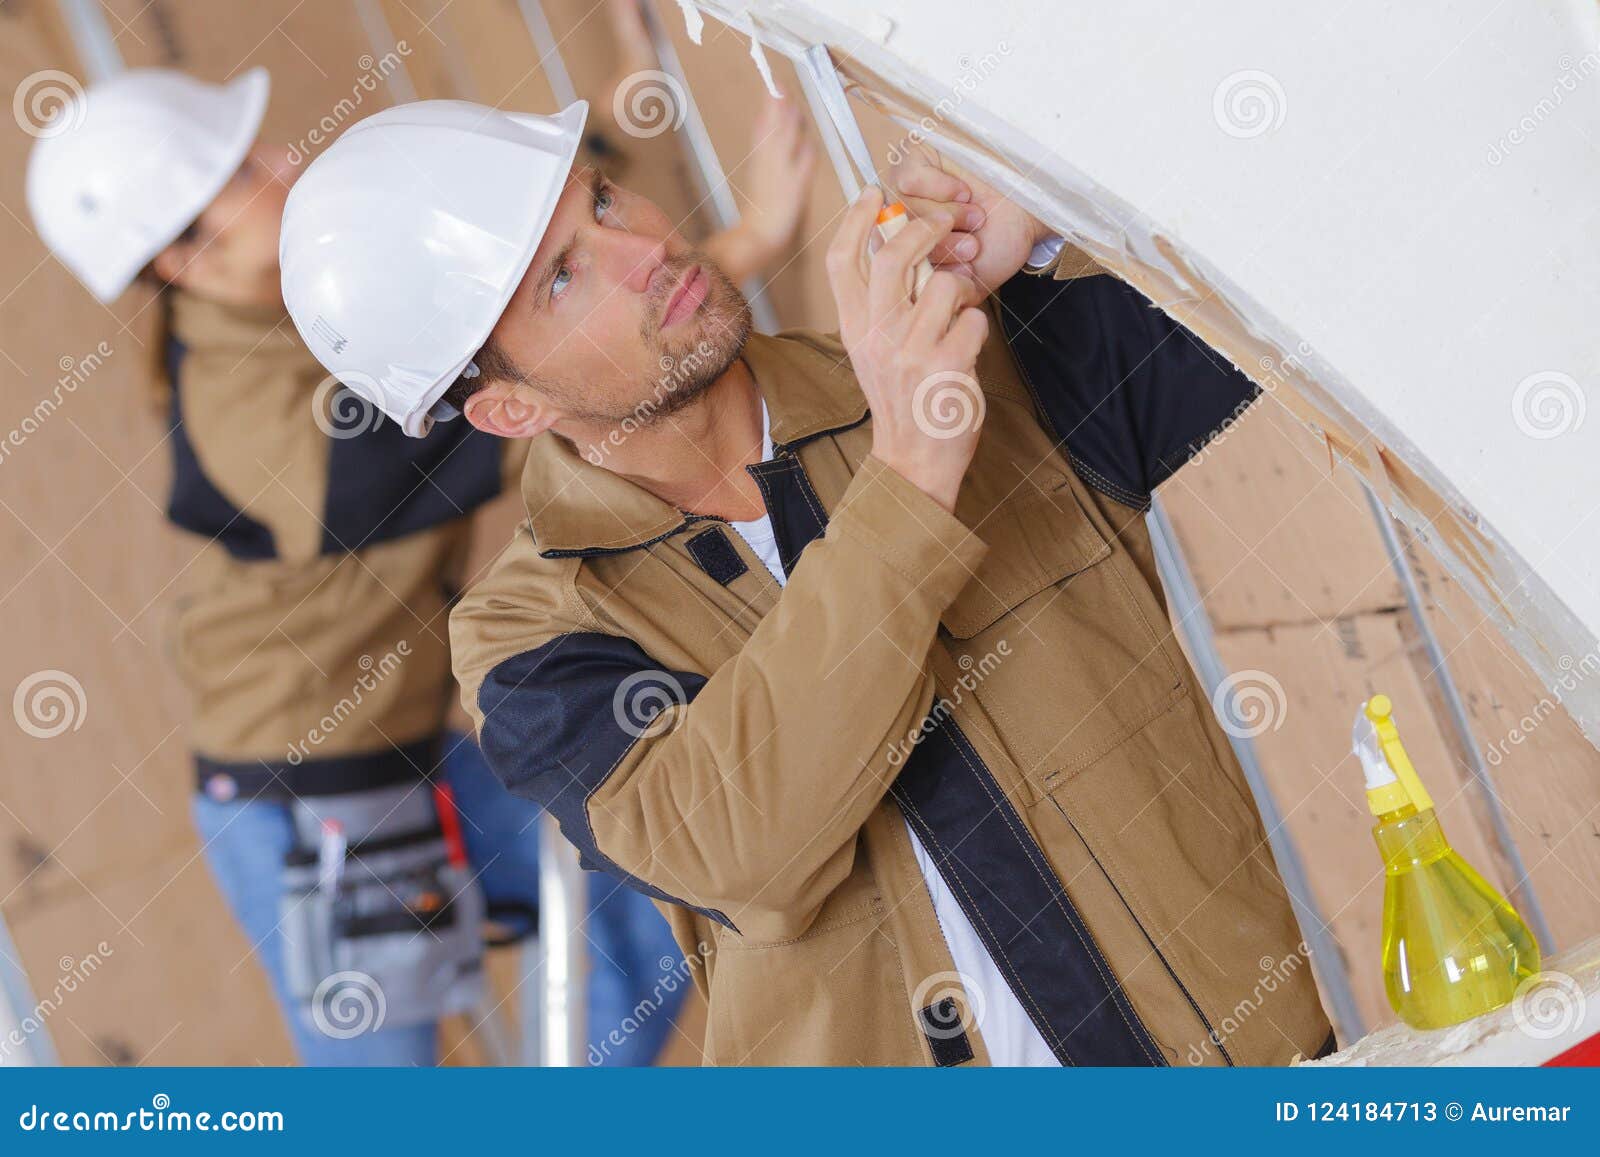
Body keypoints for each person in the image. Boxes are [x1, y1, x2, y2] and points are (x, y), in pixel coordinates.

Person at [278, 98, 1333, 1066]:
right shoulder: (530, 636)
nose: (647, 249)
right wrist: (913, 466)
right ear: (508, 409)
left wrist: (1055, 198)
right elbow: (738, 838)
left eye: (603, 201)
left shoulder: (985, 371)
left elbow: (1324, 255)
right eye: (563, 275)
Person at [26, 69, 814, 1066]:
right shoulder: (251, 415)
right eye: (247, 167)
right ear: (187, 252)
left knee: (628, 919)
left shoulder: (299, 309)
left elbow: (505, 303)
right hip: (304, 792)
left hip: (404, 746)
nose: (287, 160)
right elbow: (530, 391)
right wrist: (743, 249)